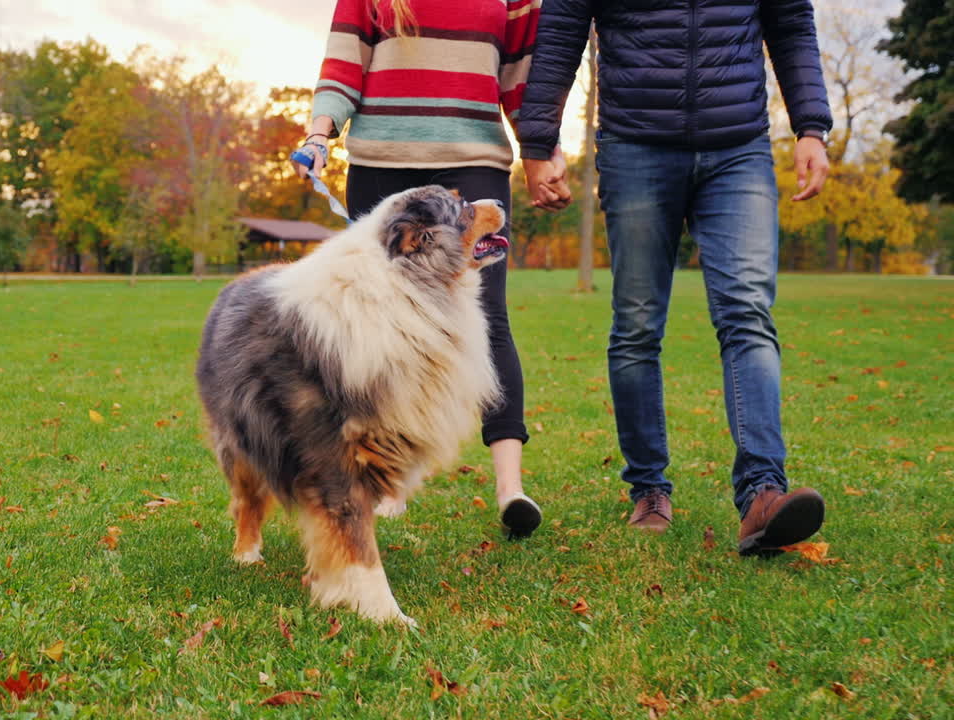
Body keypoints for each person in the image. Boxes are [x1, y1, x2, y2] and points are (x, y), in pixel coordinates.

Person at [518, 0, 832, 555]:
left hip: (738, 145)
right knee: (637, 325)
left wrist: (811, 126)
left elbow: (790, 24)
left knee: (747, 313)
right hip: (635, 144)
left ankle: (763, 493)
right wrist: (538, 142)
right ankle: (648, 488)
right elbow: (562, 28)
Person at [293, 0, 571, 539]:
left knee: (487, 317)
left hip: (472, 159)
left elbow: (519, 80)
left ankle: (511, 489)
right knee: (380, 328)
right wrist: (319, 134)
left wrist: (543, 153)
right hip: (382, 164)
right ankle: (387, 480)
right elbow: (344, 63)